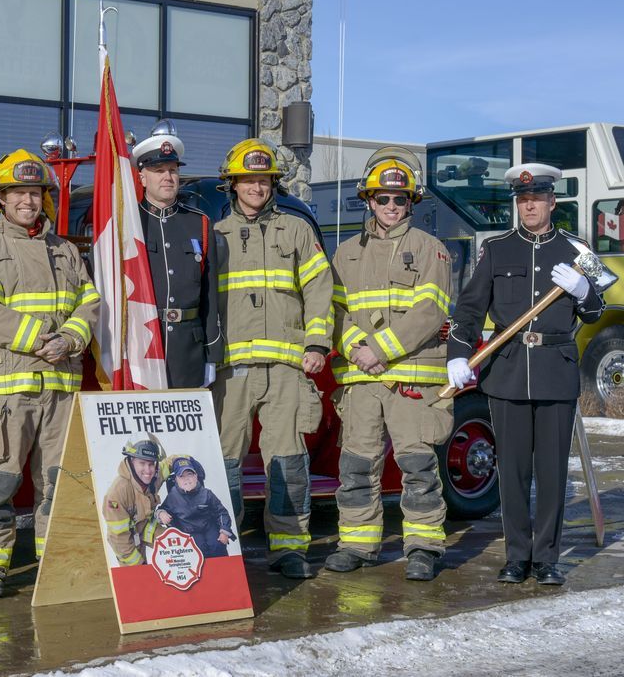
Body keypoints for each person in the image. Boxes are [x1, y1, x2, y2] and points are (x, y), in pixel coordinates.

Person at [447, 163, 604, 586]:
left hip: (555, 370)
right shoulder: (498, 250)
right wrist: (458, 355)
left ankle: (547, 559)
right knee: (512, 470)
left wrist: (583, 289)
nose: (529, 205)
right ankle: (517, 556)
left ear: (553, 202)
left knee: (551, 471)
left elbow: (596, 311)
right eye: (522, 200)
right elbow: (469, 311)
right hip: (509, 371)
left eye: (536, 199)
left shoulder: (577, 251)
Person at [0, 148, 100, 597]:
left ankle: (54, 564)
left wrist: (72, 339)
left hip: (60, 388)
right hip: (7, 391)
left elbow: (91, 303)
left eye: (35, 192)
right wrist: (43, 338)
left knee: (60, 483)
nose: (27, 200)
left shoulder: (64, 251)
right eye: (17, 192)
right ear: (0, 198)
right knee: (0, 479)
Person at [326, 147, 453, 582]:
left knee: (417, 468)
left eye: (400, 200)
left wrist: (376, 350)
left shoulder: (430, 250)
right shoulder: (345, 253)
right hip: (361, 381)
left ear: (411, 202)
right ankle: (358, 545)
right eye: (383, 199)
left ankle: (423, 547)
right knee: (356, 467)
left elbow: (429, 313)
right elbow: (336, 312)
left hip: (412, 380)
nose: (392, 207)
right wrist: (355, 347)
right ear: (369, 200)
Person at [212, 138, 333, 579]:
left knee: (287, 462)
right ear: (234, 185)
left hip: (286, 369)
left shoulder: (297, 230)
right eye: (248, 180)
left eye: (263, 181)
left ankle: (289, 549)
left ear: (272, 185)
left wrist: (317, 344)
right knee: (223, 463)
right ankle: (222, 550)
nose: (256, 188)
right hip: (230, 371)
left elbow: (321, 291)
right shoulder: (216, 235)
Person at [133, 128, 222, 388]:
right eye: (159, 171)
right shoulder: (129, 223)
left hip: (188, 351)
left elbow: (210, 294)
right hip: (143, 345)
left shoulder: (199, 223)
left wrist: (211, 354)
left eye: (172, 170)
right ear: (142, 177)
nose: (168, 177)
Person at [156, 456, 235, 558]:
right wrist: (161, 514)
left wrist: (224, 531)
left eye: (189, 474)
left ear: (196, 476)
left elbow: (221, 512)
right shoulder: (172, 496)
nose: (187, 479)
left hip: (209, 527)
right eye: (181, 476)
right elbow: (160, 510)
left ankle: (221, 572)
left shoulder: (207, 493)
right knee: (197, 551)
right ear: (176, 480)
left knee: (218, 545)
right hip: (188, 531)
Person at [103, 439, 166, 566]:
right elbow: (119, 539)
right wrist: (140, 565)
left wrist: (183, 462)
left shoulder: (153, 477)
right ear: (131, 462)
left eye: (151, 464)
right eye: (142, 463)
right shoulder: (117, 493)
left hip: (146, 529)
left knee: (175, 544)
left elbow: (168, 464)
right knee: (137, 580)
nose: (147, 470)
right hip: (126, 542)